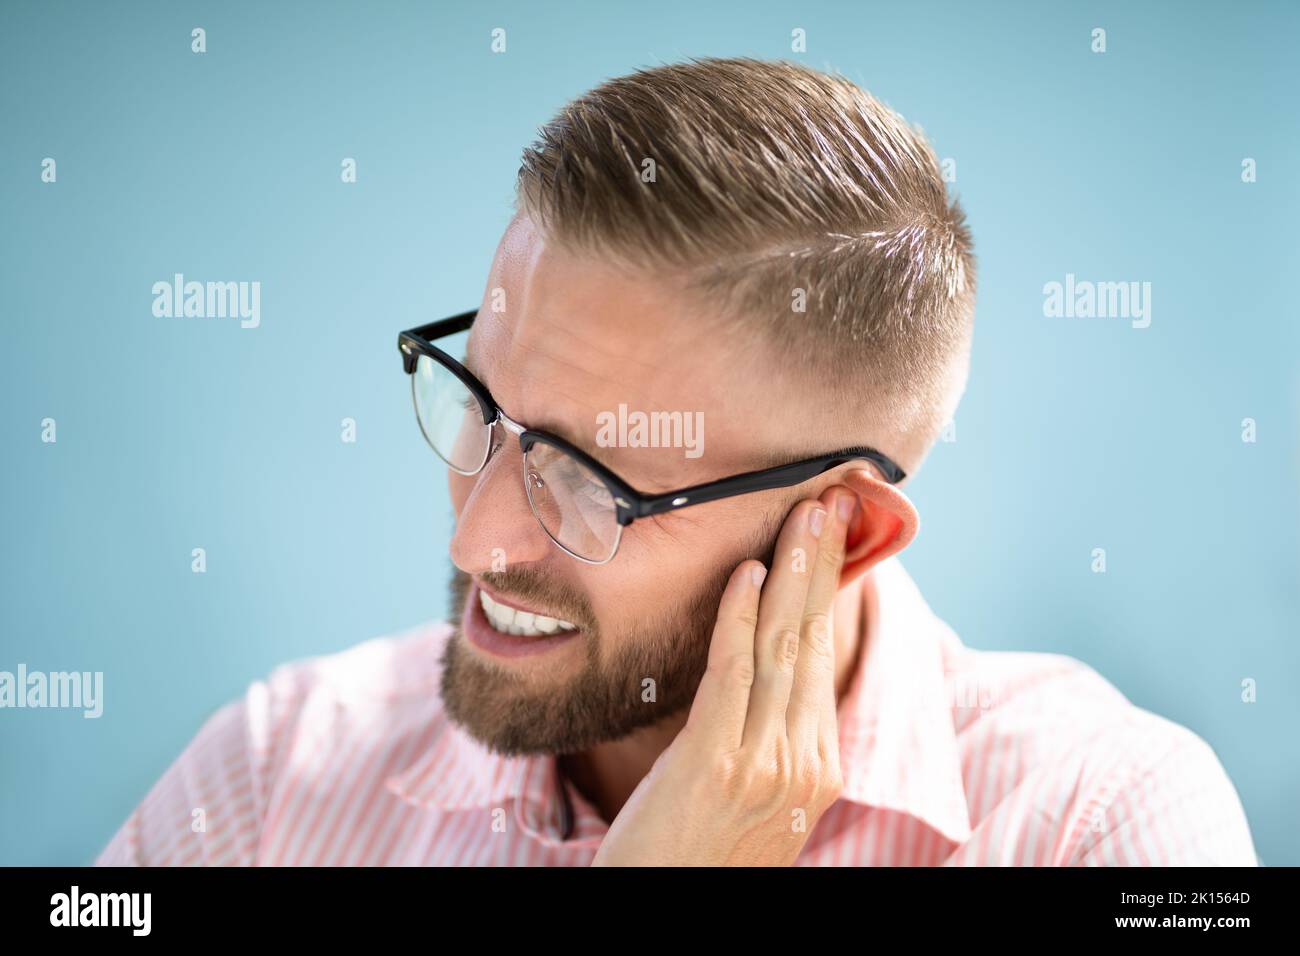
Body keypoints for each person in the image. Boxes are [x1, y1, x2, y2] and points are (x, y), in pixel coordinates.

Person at [96, 57, 1256, 867]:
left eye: (590, 477)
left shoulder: (1103, 824)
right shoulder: (275, 769)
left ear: (840, 533)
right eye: (483, 406)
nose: (475, 540)